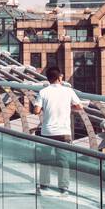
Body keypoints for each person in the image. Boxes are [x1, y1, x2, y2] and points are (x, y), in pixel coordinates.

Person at [33, 65, 83, 195]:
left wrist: (45, 108)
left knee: (45, 160)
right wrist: (68, 109)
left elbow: (36, 110)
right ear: (60, 77)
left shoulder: (43, 92)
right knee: (63, 160)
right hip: (64, 132)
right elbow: (79, 107)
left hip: (47, 132)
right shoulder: (68, 91)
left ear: (48, 78)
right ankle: (64, 187)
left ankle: (44, 185)